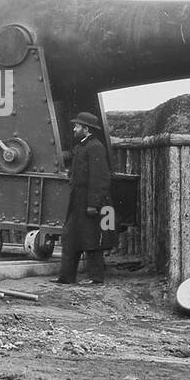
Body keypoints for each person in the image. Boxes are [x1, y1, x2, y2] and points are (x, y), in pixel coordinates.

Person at [55, 111, 111, 285]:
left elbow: (100, 177)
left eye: (77, 126)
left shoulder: (95, 147)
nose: (74, 128)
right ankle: (66, 278)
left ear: (86, 129)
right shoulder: (80, 147)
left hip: (89, 202)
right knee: (70, 237)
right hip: (77, 201)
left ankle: (96, 279)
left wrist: (93, 204)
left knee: (92, 239)